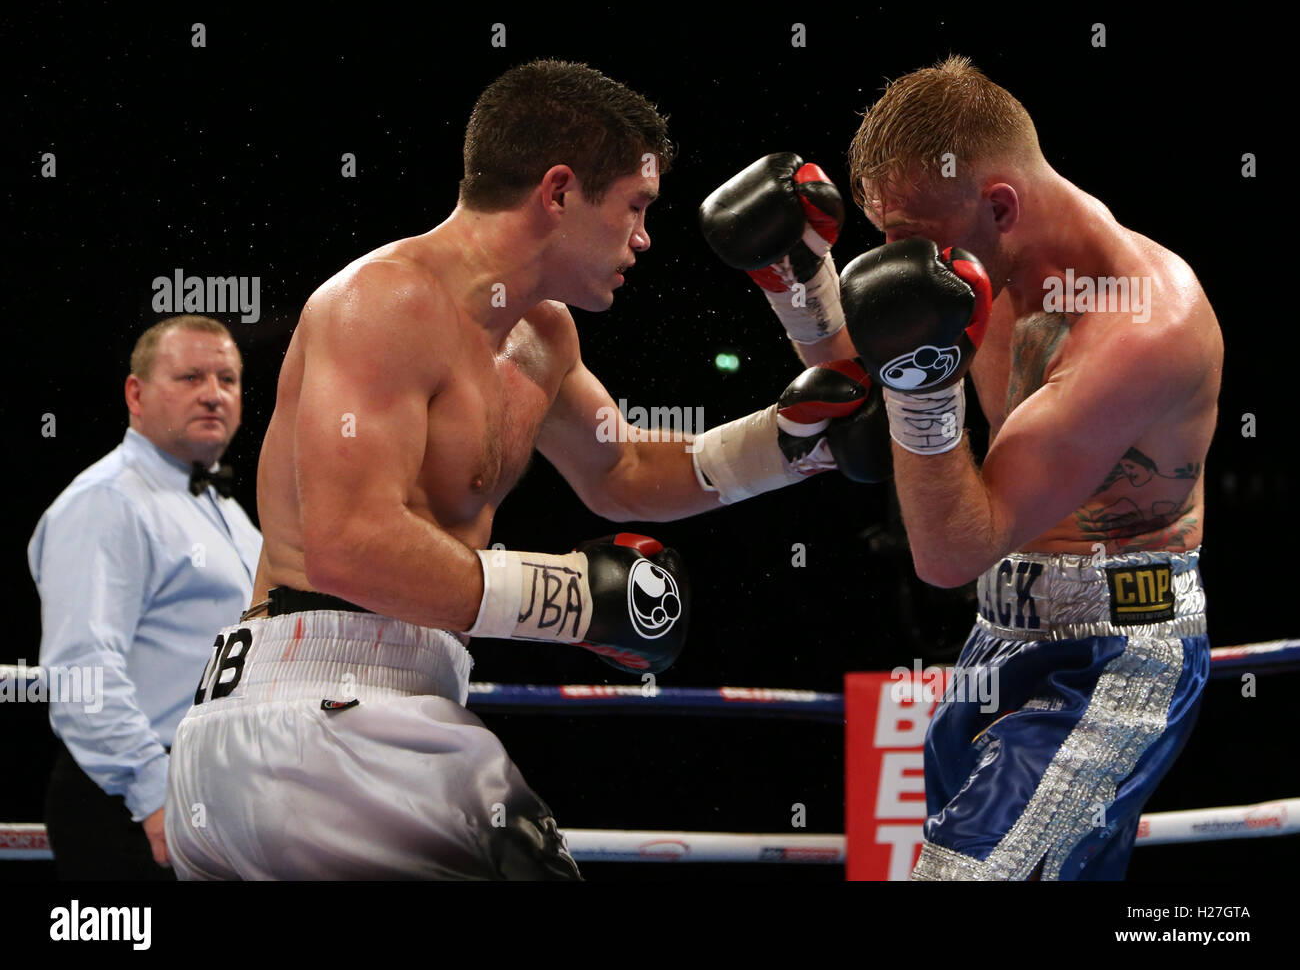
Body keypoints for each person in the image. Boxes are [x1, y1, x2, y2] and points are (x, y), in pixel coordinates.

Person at [163, 59, 891, 882]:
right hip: (319, 713)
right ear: (557, 191)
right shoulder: (385, 301)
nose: (645, 239)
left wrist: (794, 440)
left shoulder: (541, 339)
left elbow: (620, 465)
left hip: (345, 725)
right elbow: (347, 544)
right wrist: (572, 597)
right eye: (635, 207)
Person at [833, 56, 1220, 880]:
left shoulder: (1142, 326)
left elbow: (945, 550)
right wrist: (793, 283)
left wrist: (920, 392)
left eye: (912, 246)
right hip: (994, 636)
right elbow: (852, 381)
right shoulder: (982, 270)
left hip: (1114, 653)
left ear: (999, 206)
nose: (907, 271)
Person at [28, 315, 261, 880]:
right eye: (189, 378)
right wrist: (150, 790)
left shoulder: (223, 508)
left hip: (216, 796)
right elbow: (81, 668)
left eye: (227, 380)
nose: (212, 395)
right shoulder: (108, 502)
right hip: (132, 803)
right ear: (136, 393)